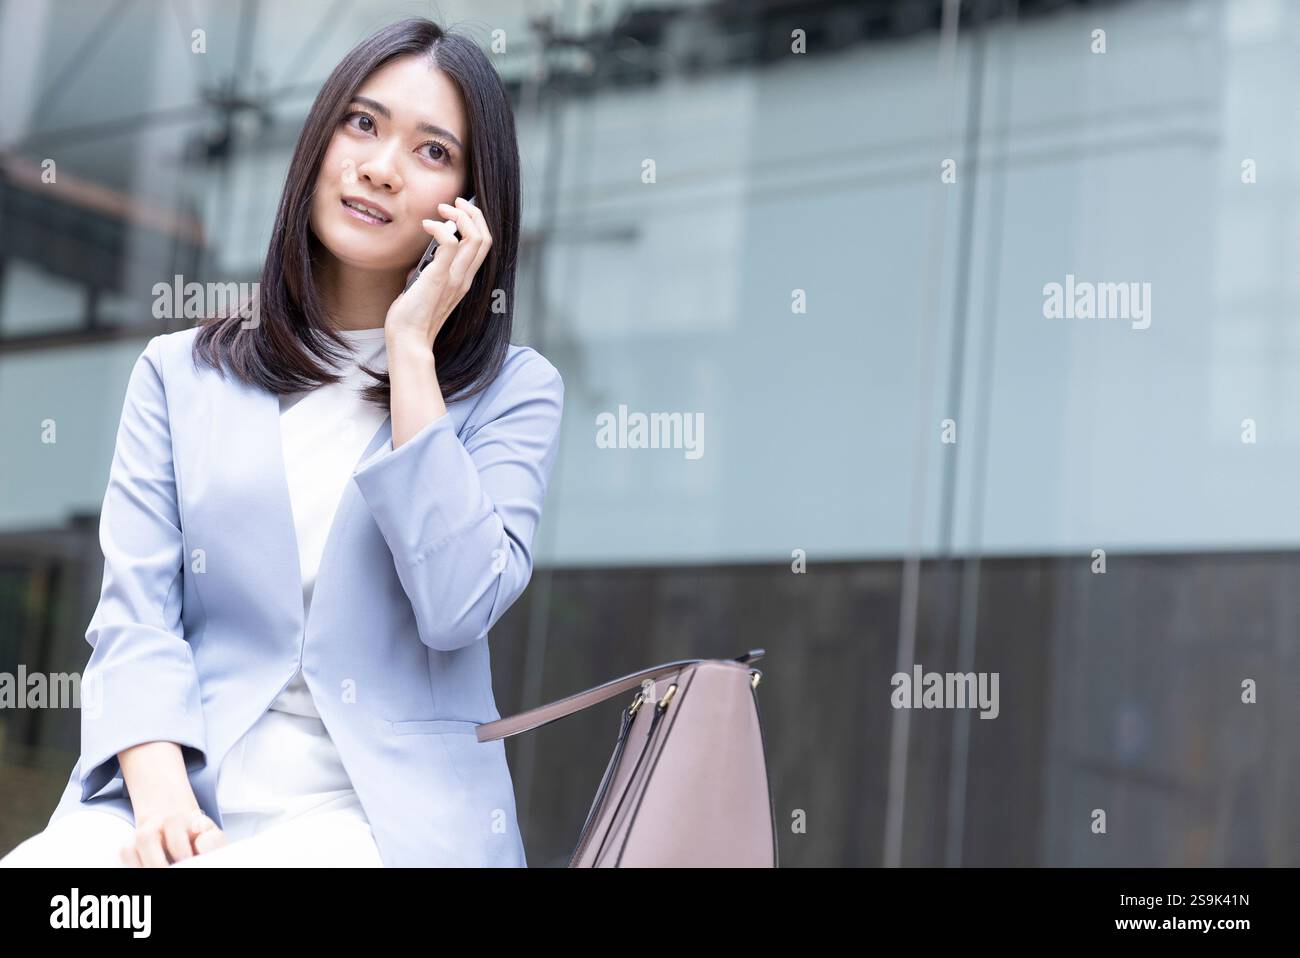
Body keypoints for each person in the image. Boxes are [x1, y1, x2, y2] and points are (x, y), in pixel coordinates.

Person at [0, 17, 563, 868]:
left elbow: (455, 606)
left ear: (472, 208)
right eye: (363, 124)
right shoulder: (179, 374)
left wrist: (413, 349)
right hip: (181, 787)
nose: (380, 166)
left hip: (374, 820)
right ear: (321, 138)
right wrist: (161, 810)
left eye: (433, 151)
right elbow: (137, 622)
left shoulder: (511, 393)